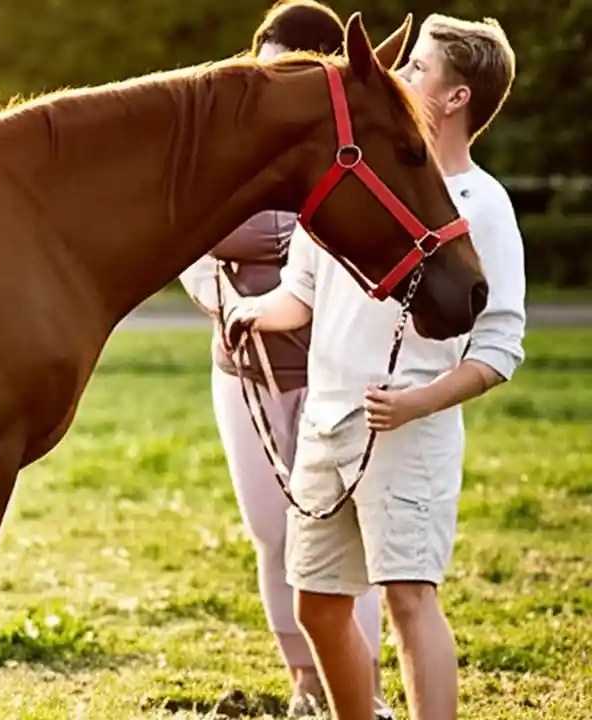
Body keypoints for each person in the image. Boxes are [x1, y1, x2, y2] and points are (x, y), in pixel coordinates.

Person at [224, 13, 527, 720]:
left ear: (457, 99)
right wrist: (249, 310)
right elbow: (300, 294)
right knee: (319, 606)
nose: (401, 73)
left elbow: (500, 348)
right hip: (328, 429)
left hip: (407, 435)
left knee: (408, 599)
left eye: (418, 68)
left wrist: (418, 403)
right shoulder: (354, 179)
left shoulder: (484, 206)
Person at [177, 1, 389, 716]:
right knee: (273, 532)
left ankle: (365, 686)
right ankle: (304, 683)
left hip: (337, 369)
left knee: (345, 534)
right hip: (245, 368)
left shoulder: (344, 151)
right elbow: (191, 252)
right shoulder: (221, 150)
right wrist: (221, 305)